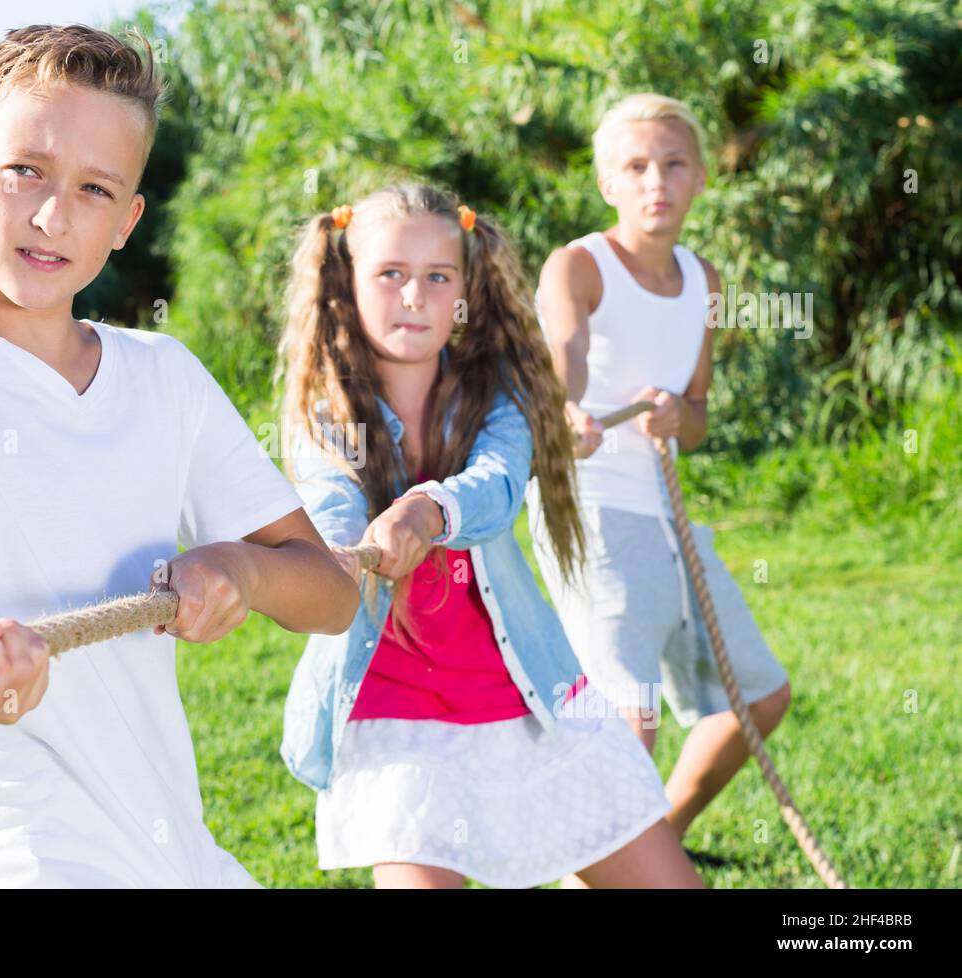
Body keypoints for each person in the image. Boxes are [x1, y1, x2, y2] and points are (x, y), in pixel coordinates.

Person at [0, 23, 358, 888]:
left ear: (127, 221)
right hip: (6, 846)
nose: (51, 216)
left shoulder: (166, 377)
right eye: (24, 173)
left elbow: (334, 594)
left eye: (93, 190)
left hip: (168, 845)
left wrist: (244, 569)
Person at [276, 183, 703, 888]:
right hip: (394, 709)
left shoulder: (497, 392)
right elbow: (330, 506)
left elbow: (500, 483)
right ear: (346, 285)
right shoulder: (327, 410)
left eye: (437, 277)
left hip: (526, 689)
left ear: (465, 290)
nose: (415, 296)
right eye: (390, 274)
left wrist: (427, 511)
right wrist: (331, 554)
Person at [530, 93, 791, 884]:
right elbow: (563, 358)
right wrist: (563, 408)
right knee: (627, 718)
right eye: (637, 166)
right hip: (592, 510)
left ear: (703, 178)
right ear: (608, 181)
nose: (657, 182)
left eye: (675, 164)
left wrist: (682, 417)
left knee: (760, 697)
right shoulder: (579, 265)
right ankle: (613, 869)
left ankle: (650, 844)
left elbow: (702, 414)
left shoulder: (703, 279)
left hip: (668, 518)